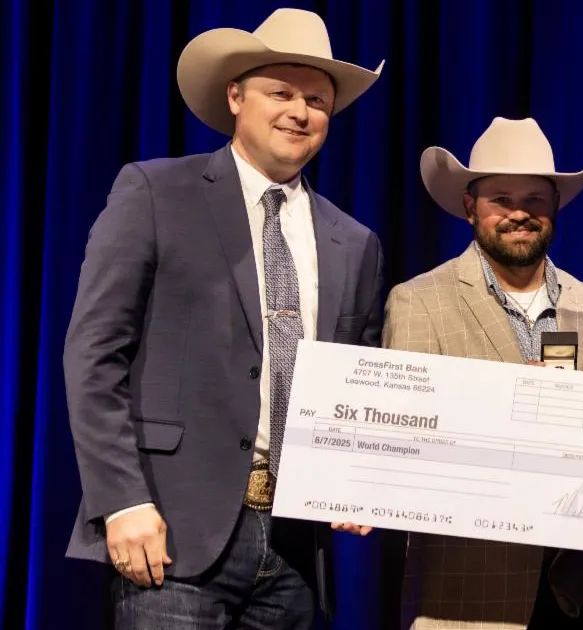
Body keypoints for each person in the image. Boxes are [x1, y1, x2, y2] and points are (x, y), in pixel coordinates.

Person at [63, 8, 384, 627]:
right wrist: (121, 500)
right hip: (171, 532)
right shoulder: (156, 193)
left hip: (295, 548)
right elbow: (93, 355)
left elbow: (355, 382)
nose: (300, 112)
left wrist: (353, 478)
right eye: (281, 93)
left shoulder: (354, 241)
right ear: (235, 97)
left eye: (316, 100)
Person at [384, 116, 583, 629]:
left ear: (555, 207)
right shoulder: (419, 301)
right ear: (470, 207)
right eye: (501, 199)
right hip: (464, 594)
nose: (519, 213)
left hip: (569, 589)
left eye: (535, 200)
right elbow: (401, 440)